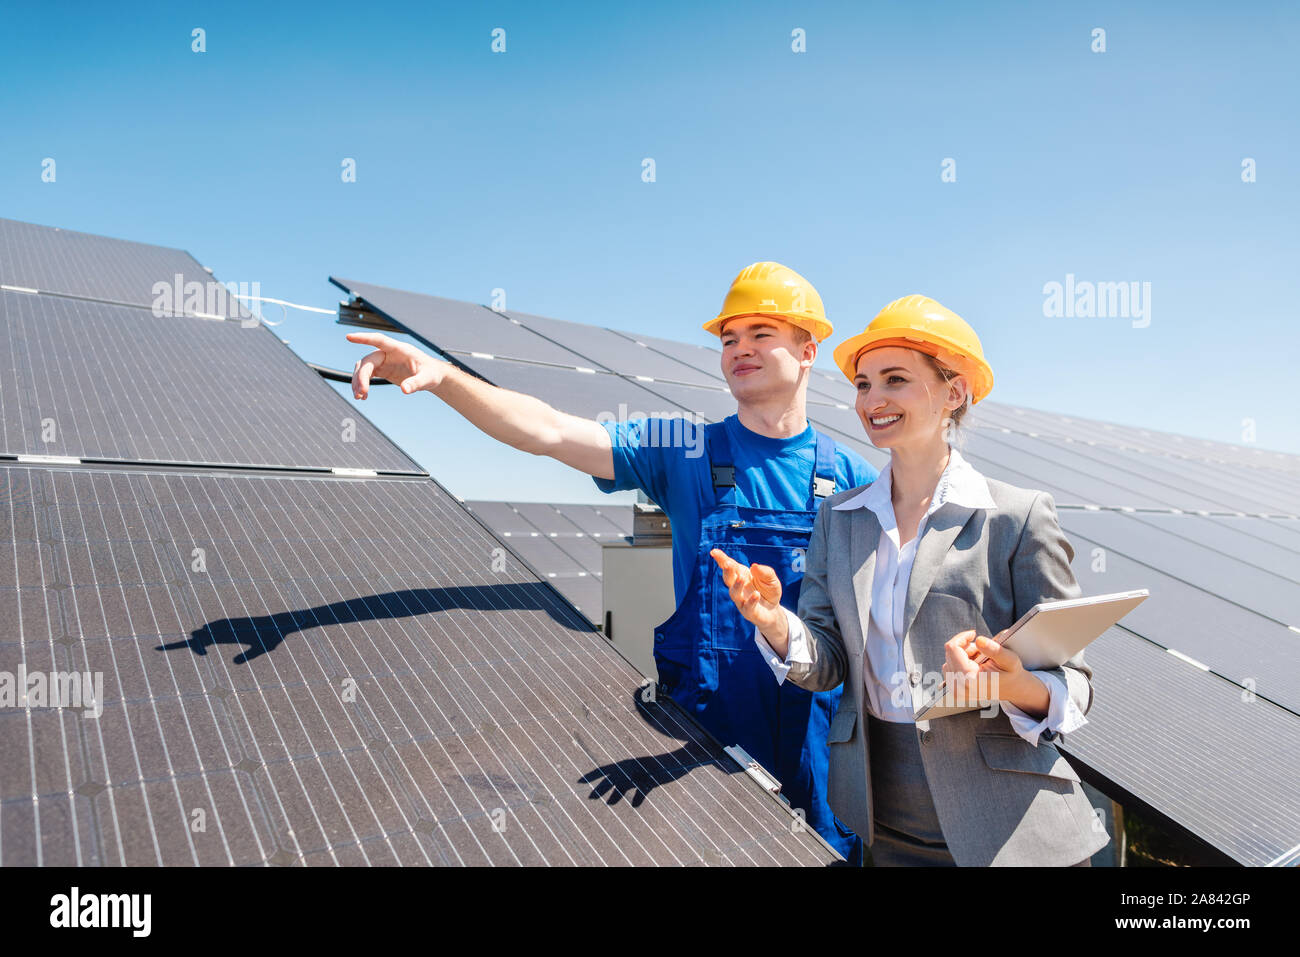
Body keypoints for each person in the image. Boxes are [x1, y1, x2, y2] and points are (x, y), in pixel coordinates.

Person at [347, 262, 880, 863]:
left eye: (761, 334)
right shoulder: (686, 450)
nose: (739, 350)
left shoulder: (854, 481)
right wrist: (442, 376)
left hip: (818, 738)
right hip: (695, 740)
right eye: (729, 338)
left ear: (808, 350)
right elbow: (547, 431)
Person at [712, 294, 1110, 866]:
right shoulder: (841, 519)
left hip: (1011, 826)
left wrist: (1010, 684)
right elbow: (829, 665)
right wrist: (774, 622)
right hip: (881, 815)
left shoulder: (1017, 517)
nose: (872, 400)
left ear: (954, 393)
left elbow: (1076, 684)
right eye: (863, 384)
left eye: (894, 380)